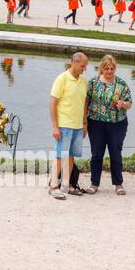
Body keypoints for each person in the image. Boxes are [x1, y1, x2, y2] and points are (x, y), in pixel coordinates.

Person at [84, 54, 132, 194]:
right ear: (101, 69)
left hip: (117, 124)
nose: (109, 71)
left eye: (112, 68)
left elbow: (130, 104)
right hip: (96, 122)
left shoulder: (121, 84)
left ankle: (118, 184)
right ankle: (94, 184)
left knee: (115, 153)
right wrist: (84, 121)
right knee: (96, 154)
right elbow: (86, 101)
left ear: (115, 69)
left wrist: (123, 104)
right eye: (106, 68)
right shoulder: (93, 82)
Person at [49, 52, 89, 200]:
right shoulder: (62, 79)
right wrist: (55, 126)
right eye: (82, 66)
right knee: (60, 155)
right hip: (64, 125)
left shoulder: (83, 81)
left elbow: (84, 103)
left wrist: (85, 123)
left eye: (85, 66)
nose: (84, 69)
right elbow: (52, 103)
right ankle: (54, 186)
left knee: (71, 156)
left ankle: (66, 185)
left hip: (78, 126)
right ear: (74, 62)